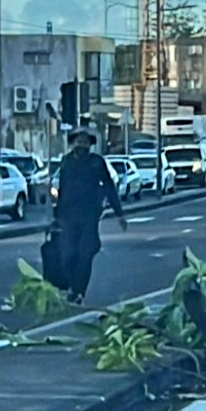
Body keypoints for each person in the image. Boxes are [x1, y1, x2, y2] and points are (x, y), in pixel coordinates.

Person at [53, 127, 126, 303]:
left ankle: (79, 291)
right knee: (68, 254)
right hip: (68, 217)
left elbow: (109, 187)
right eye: (79, 141)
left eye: (85, 142)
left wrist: (119, 214)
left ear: (90, 145)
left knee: (85, 254)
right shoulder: (66, 162)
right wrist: (56, 217)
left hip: (89, 216)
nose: (82, 145)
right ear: (73, 143)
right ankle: (72, 286)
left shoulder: (96, 162)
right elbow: (62, 190)